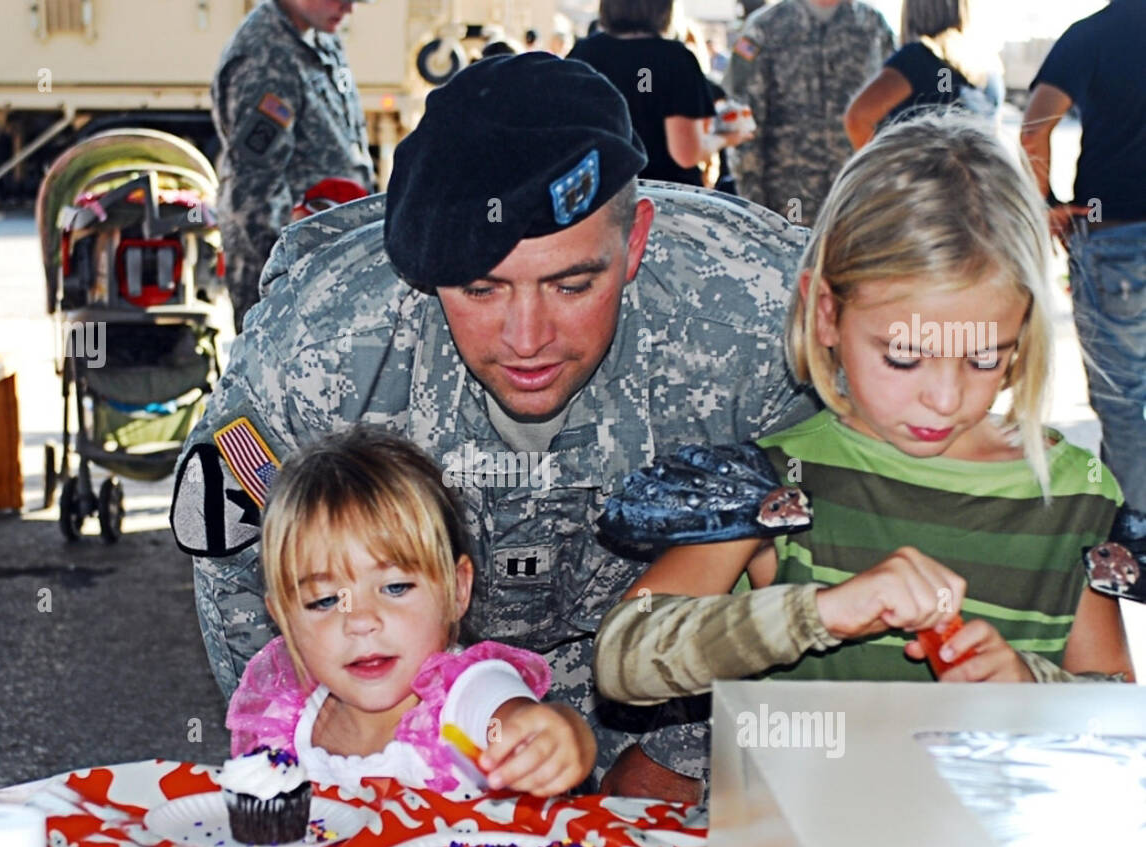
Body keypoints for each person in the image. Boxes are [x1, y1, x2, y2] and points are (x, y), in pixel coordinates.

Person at [170, 53, 820, 802]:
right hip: (407, 707)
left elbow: (812, 564)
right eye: (482, 288)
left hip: (665, 683)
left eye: (573, 283)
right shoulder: (321, 343)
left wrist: (681, 758)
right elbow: (241, 572)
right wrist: (332, 766)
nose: (527, 336)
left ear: (636, 240)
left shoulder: (762, 316)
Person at [593, 113, 1134, 704]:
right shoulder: (773, 486)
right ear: (826, 314)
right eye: (904, 357)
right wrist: (819, 613)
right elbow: (625, 659)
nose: (945, 398)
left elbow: (1114, 706)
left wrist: (1032, 686)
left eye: (983, 358)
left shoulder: (1076, 499)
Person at [226, 425, 596, 795]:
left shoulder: (464, 695)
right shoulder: (284, 717)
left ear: (457, 590)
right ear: (282, 617)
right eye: (324, 600)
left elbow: (510, 714)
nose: (360, 621)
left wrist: (555, 732)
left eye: (395, 587)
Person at [1021, 0, 1146, 513]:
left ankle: (1139, 534)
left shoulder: (1090, 36)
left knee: (1124, 401)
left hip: (1112, 236)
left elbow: (1032, 130)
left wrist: (1048, 203)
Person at [211, 0, 374, 332]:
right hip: (290, 273)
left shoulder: (319, 37)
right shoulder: (265, 56)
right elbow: (254, 189)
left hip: (327, 260)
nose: (349, 8)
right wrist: (287, 277)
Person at [723, 0, 895, 225]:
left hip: (857, 199)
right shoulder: (764, 28)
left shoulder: (874, 26)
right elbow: (744, 126)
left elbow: (891, 117)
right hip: (786, 202)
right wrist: (754, 208)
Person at [567, 0, 724, 187]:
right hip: (666, 196)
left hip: (601, 196)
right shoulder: (676, 58)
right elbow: (686, 154)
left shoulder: (583, 54)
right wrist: (724, 139)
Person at [844, 0, 1001, 149]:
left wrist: (885, 170)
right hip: (973, 174)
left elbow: (857, 118)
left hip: (923, 174)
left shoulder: (918, 59)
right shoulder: (989, 68)